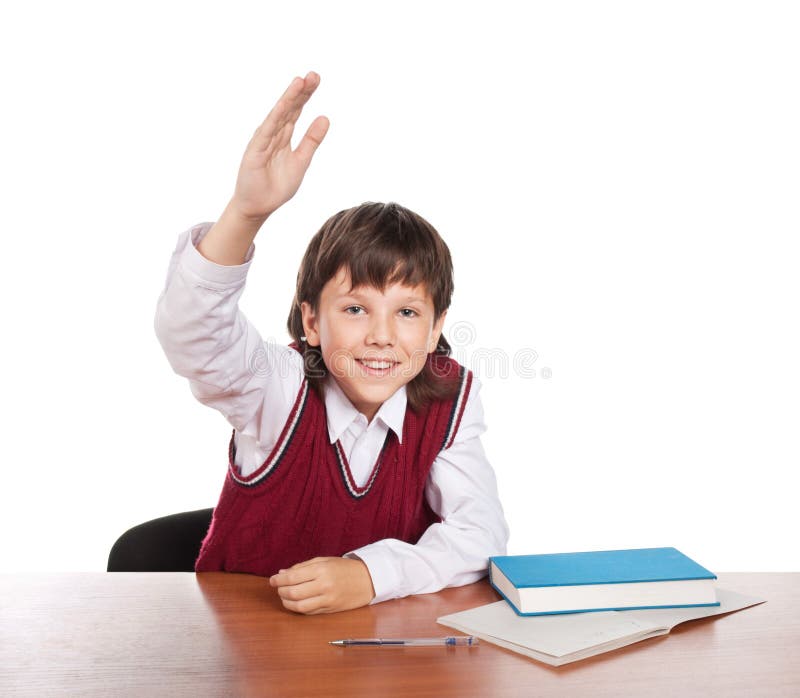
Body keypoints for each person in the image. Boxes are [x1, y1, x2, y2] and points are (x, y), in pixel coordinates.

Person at [152, 71, 509, 614]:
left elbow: (480, 535)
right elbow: (193, 331)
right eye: (355, 309)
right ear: (312, 323)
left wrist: (370, 576)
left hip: (371, 658)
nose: (383, 336)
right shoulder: (277, 387)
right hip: (244, 649)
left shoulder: (450, 400)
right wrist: (247, 213)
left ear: (436, 329)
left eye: (407, 312)